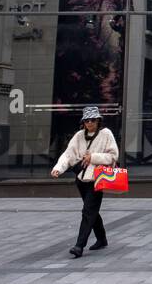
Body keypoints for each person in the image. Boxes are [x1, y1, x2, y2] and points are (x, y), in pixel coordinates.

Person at [51, 106, 120, 258]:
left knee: (88, 211)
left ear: (98, 120)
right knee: (91, 211)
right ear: (83, 122)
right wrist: (58, 169)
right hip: (81, 180)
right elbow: (68, 155)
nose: (90, 123)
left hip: (97, 179)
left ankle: (79, 246)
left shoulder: (106, 134)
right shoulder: (78, 136)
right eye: (87, 120)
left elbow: (113, 156)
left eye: (93, 120)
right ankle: (101, 239)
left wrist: (93, 157)